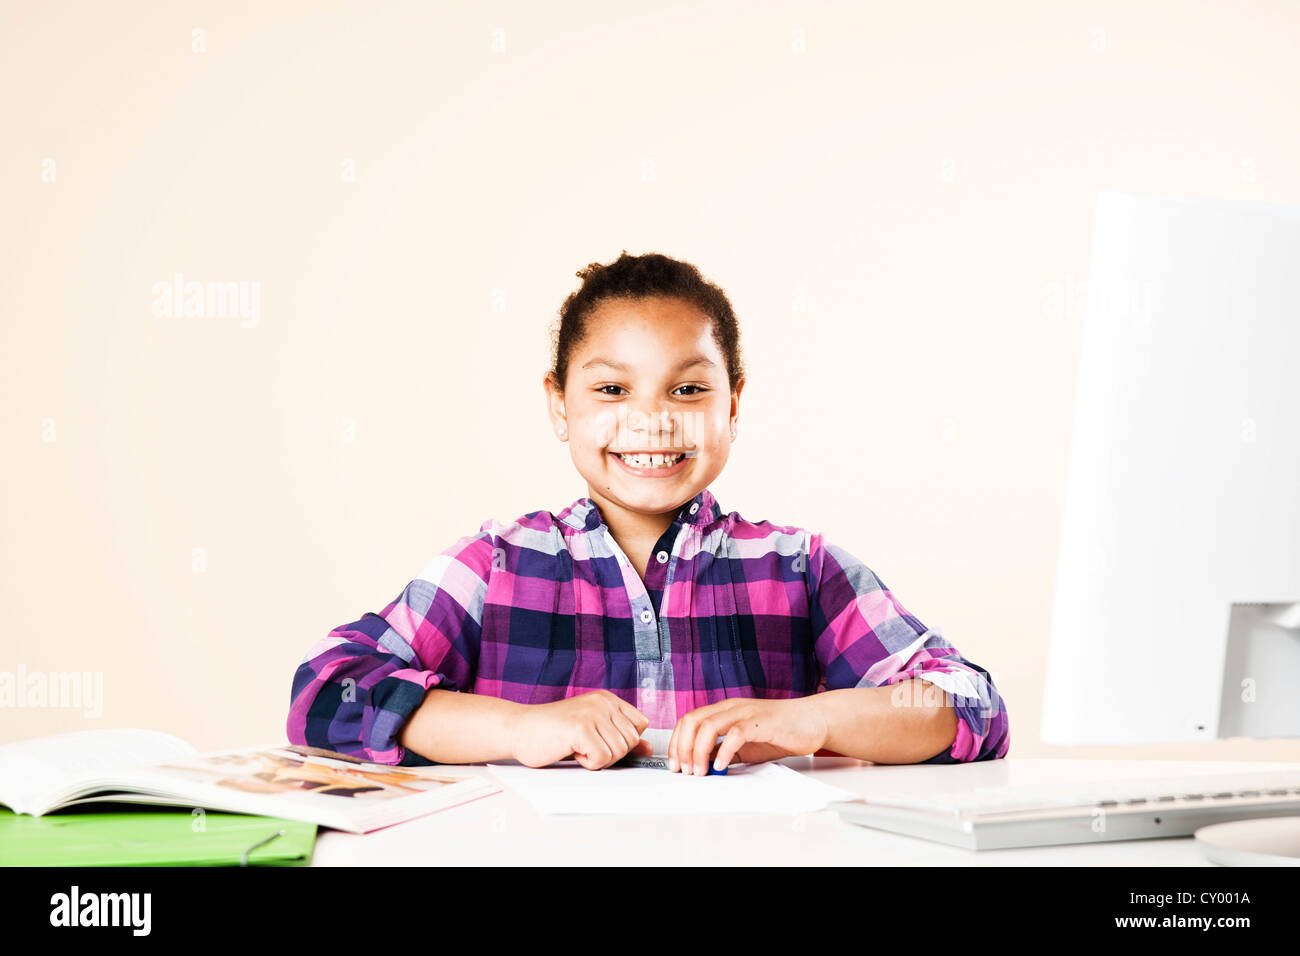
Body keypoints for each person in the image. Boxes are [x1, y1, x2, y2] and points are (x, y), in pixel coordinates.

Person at [286, 251, 1009, 776]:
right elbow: (326, 689)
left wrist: (807, 722)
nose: (653, 422)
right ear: (558, 404)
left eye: (688, 391)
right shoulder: (496, 565)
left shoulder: (799, 568)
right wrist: (519, 727)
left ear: (734, 404)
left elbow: (972, 704)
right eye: (611, 390)